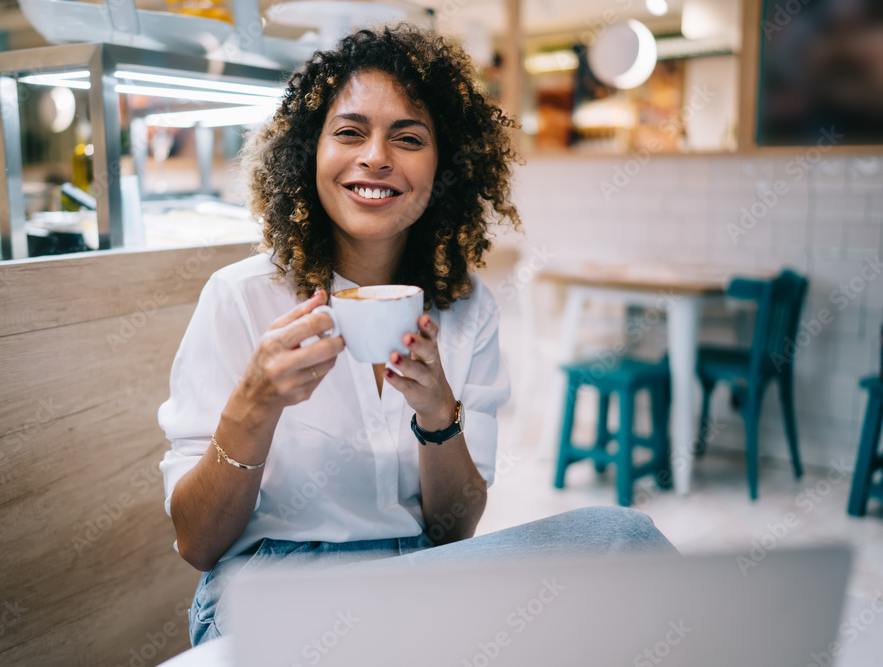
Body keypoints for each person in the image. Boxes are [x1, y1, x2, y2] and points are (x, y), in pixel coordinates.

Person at [158, 25, 675, 646]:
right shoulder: (240, 297)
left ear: (445, 170)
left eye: (407, 138)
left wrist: (438, 414)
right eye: (349, 132)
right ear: (308, 154)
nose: (376, 156)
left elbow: (454, 531)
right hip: (272, 585)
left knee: (623, 540)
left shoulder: (467, 307)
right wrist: (255, 404)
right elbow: (197, 542)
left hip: (418, 574)